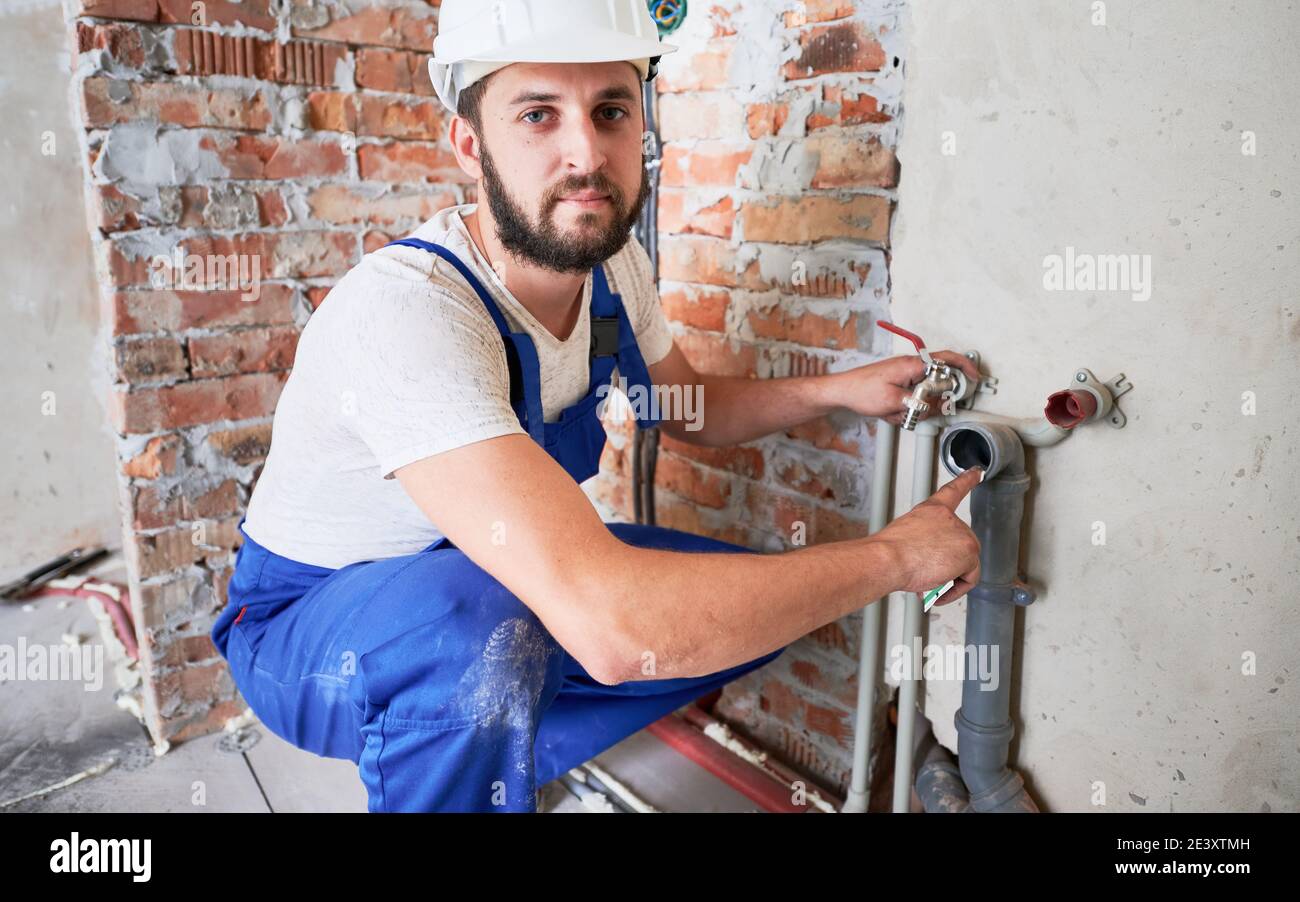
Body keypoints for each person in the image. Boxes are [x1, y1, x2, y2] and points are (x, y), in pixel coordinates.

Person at [210, 0, 984, 812]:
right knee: (497, 630)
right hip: (307, 627)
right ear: (470, 148)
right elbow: (617, 630)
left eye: (610, 111)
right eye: (538, 114)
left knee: (735, 596)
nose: (586, 153)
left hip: (478, 581)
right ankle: (457, 751)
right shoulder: (411, 311)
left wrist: (840, 389)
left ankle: (493, 750)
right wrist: (897, 558)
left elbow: (690, 408)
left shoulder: (614, 271)